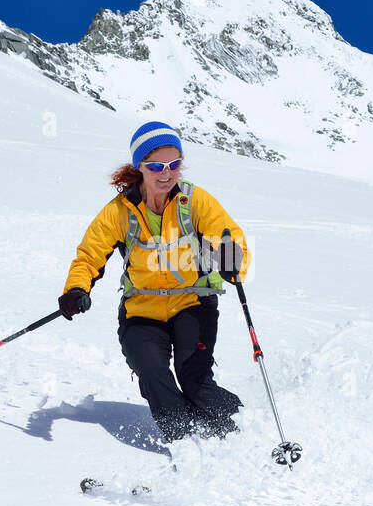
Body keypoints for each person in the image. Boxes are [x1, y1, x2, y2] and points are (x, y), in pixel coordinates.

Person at [59, 121, 250, 443]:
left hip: (193, 304)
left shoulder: (195, 201)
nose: (166, 173)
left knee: (194, 379)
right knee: (154, 375)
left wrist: (231, 260)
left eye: (174, 165)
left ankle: (247, 433)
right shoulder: (119, 212)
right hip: (142, 312)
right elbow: (89, 256)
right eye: (156, 166)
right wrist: (76, 289)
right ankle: (187, 445)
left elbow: (231, 238)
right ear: (140, 167)